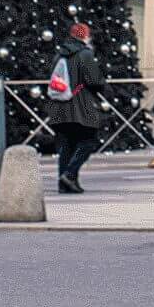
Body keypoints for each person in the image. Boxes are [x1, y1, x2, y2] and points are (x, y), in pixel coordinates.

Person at [47, 21, 108, 194]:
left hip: (59, 107)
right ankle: (69, 174)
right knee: (89, 141)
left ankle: (64, 184)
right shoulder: (85, 54)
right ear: (85, 35)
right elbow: (94, 80)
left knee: (66, 145)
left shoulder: (59, 54)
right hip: (80, 107)